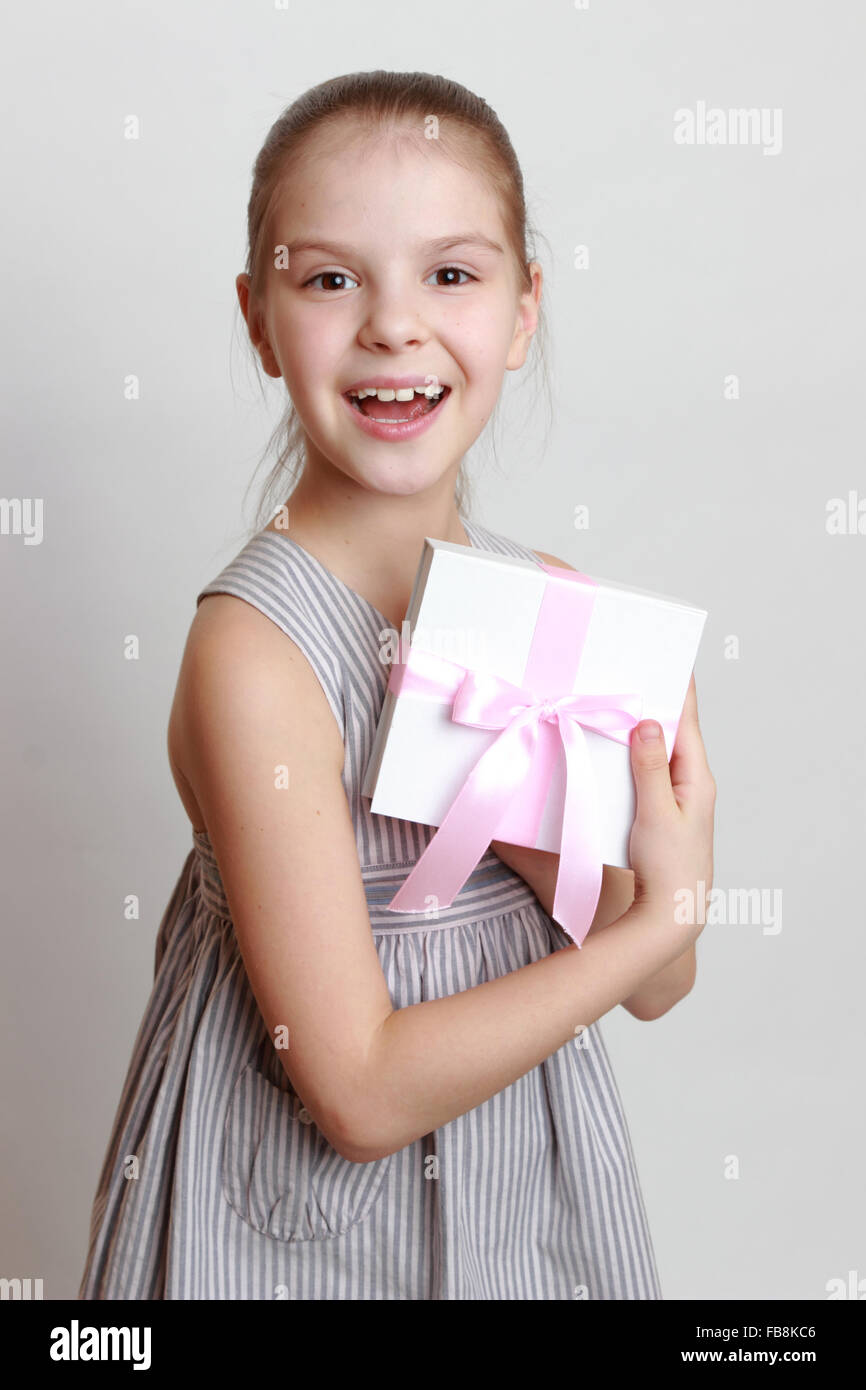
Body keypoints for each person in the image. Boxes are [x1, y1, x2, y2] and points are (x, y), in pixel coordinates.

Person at [78, 70, 715, 1300]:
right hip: (291, 1229)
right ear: (258, 319)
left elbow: (649, 981)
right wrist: (664, 917)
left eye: (451, 274)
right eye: (328, 279)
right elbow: (359, 1091)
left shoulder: (539, 613)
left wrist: (653, 889)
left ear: (523, 312)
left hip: (513, 1214)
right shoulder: (255, 653)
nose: (393, 325)